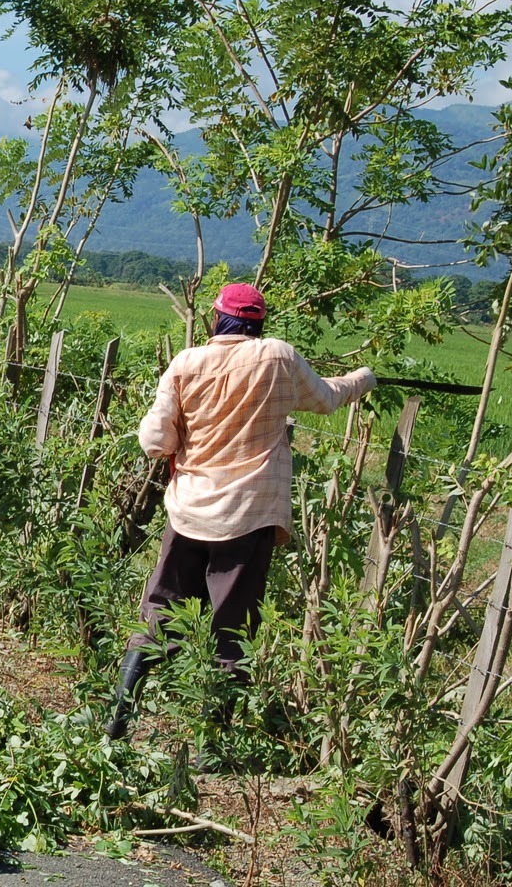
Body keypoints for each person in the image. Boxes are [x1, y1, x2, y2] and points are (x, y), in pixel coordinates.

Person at [103, 282, 377, 741]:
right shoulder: (278, 357)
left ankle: (118, 719)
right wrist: (364, 378)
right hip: (248, 518)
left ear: (217, 320)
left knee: (160, 612)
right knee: (232, 630)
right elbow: (328, 398)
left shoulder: (187, 363)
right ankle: (211, 747)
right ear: (258, 323)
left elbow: (155, 443)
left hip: (188, 512)